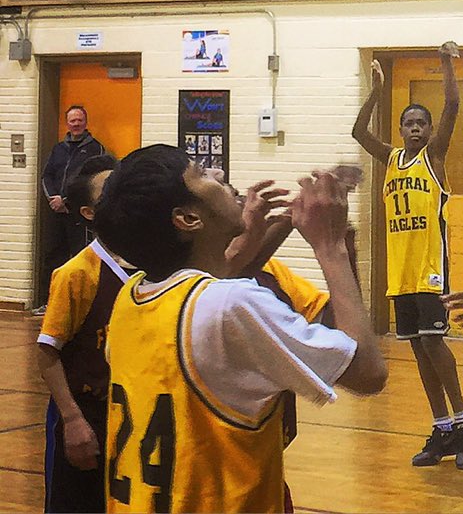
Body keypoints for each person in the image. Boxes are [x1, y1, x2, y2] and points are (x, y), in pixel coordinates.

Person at [93, 145, 386, 513]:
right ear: (188, 219)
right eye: (201, 173)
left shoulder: (130, 298)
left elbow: (210, 287)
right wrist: (331, 245)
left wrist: (277, 224)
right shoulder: (230, 305)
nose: (217, 174)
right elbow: (368, 373)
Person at [351, 42, 463, 469]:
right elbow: (358, 133)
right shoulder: (391, 160)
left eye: (420, 122)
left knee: (433, 341)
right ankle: (442, 426)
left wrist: (447, 61)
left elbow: (453, 104)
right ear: (401, 128)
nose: (415, 128)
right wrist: (376, 88)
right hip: (400, 271)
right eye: (408, 123)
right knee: (419, 350)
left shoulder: (434, 157)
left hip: (430, 269)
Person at [38, 154, 123, 514]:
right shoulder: (77, 273)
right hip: (88, 412)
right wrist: (72, 420)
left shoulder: (155, 266)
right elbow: (47, 352)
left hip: (134, 415)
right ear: (89, 213)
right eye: (111, 192)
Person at [38, 106, 107, 313]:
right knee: (52, 256)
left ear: (85, 122)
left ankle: (80, 305)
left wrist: (68, 200)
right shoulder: (58, 149)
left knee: (80, 257)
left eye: (79, 120)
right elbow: (46, 176)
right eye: (72, 121)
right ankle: (49, 303)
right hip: (55, 211)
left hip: (78, 213)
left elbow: (94, 180)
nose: (76, 124)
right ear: (67, 123)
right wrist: (54, 199)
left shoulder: (97, 149)